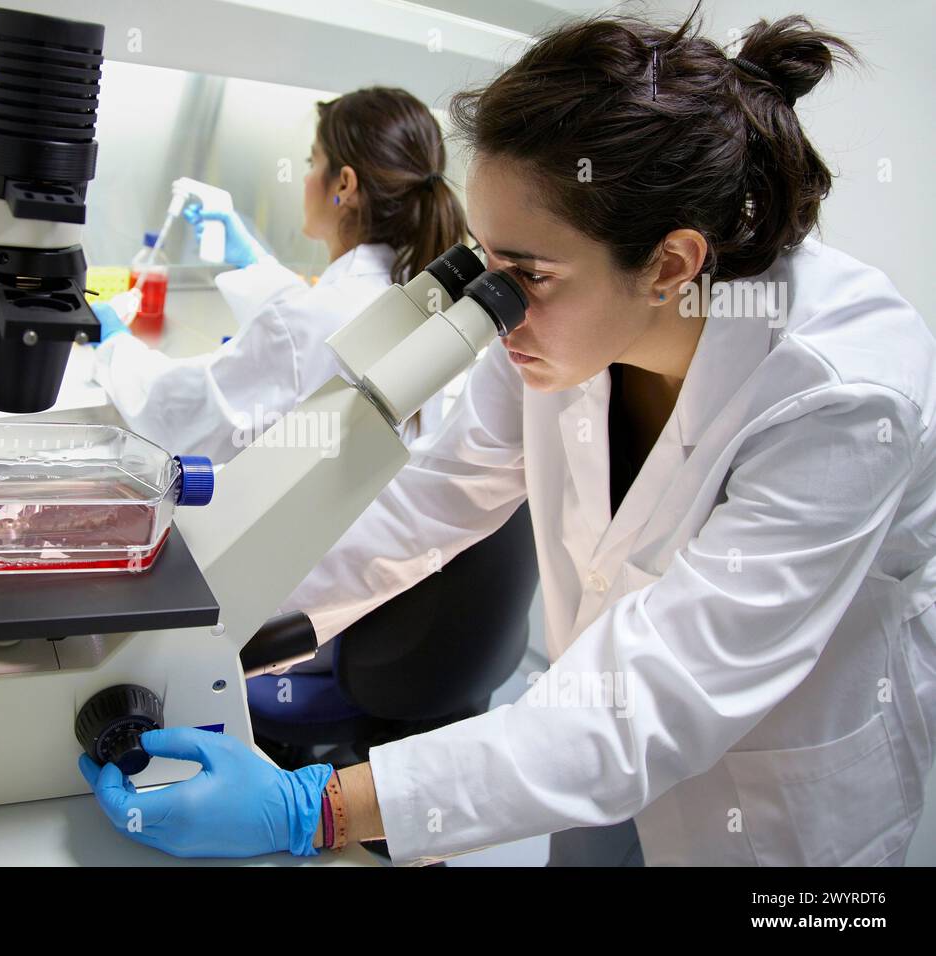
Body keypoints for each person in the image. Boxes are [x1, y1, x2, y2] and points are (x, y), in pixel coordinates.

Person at [80, 9, 936, 866]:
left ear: (671, 264)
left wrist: (321, 807)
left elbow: (663, 697)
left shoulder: (841, 393)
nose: (496, 303)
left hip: (770, 801)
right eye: (484, 261)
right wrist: (223, 615)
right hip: (580, 746)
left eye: (527, 272)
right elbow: (427, 504)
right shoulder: (557, 327)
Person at [90, 87, 467, 463]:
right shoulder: (416, 302)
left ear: (343, 185)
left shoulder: (316, 320)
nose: (306, 179)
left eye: (311, 162)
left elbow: (179, 418)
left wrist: (114, 346)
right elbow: (304, 326)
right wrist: (253, 262)